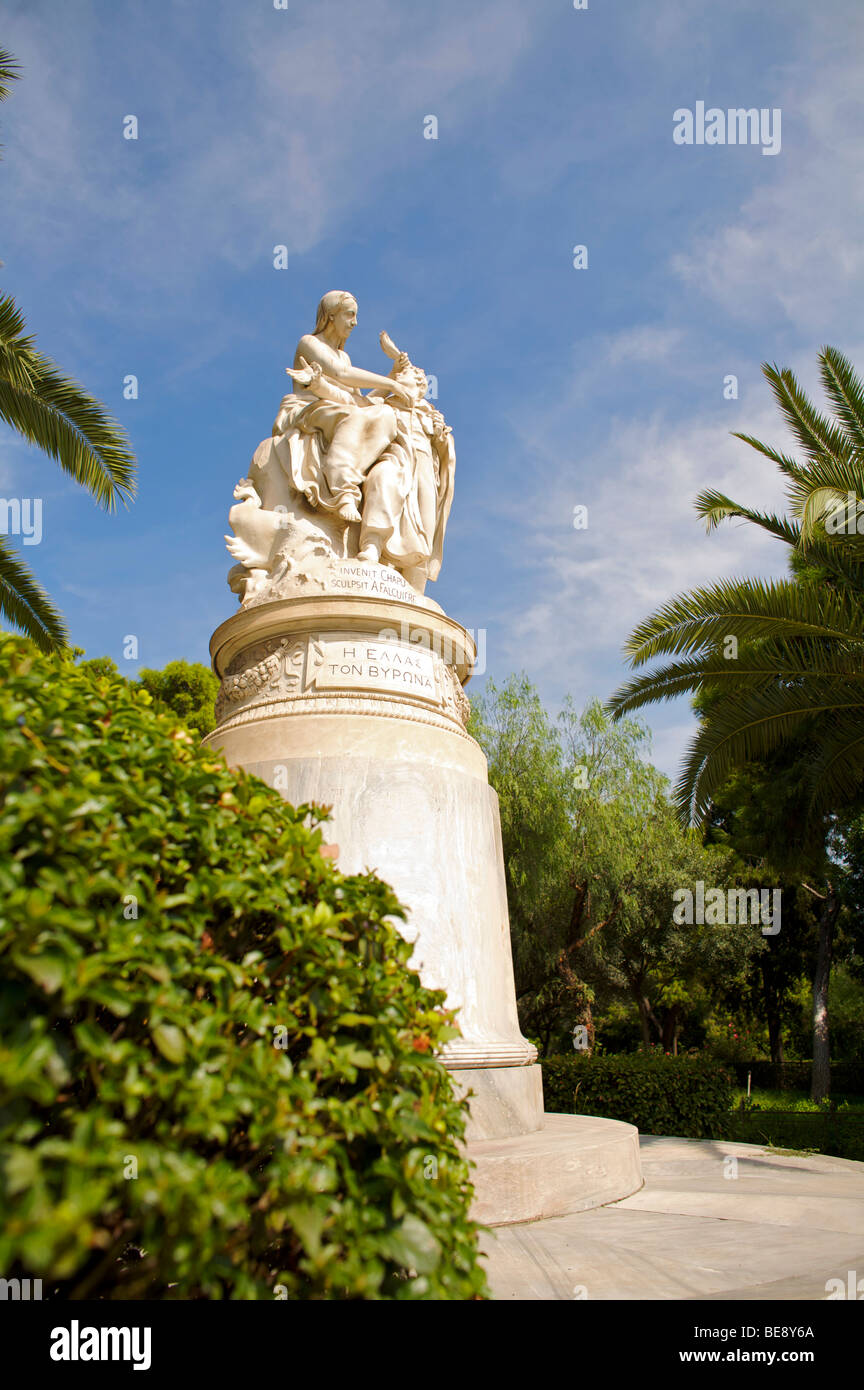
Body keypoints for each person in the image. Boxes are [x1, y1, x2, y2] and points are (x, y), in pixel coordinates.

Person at [273, 291, 413, 523]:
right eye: (349, 315)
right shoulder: (309, 343)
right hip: (306, 409)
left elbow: (360, 400)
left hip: (338, 406)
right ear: (330, 316)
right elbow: (341, 374)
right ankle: (343, 488)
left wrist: (394, 375)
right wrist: (389, 383)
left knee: (381, 413)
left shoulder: (343, 356)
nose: (354, 323)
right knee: (353, 416)